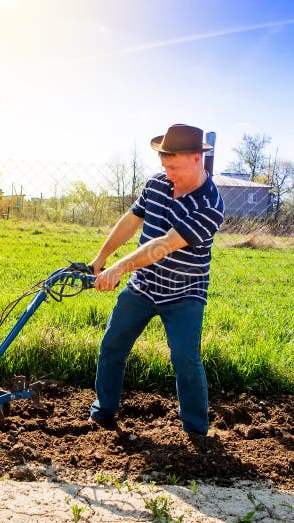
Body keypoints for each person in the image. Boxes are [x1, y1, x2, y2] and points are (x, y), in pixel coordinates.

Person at [89, 123, 225, 436]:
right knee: (112, 345)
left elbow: (163, 245)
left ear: (196, 158)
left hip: (184, 293)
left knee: (184, 359)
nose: (168, 173)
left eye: (173, 166)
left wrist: (120, 268)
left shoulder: (210, 205)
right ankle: (103, 413)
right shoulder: (156, 184)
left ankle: (196, 432)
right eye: (164, 166)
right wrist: (102, 257)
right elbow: (130, 221)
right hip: (143, 286)